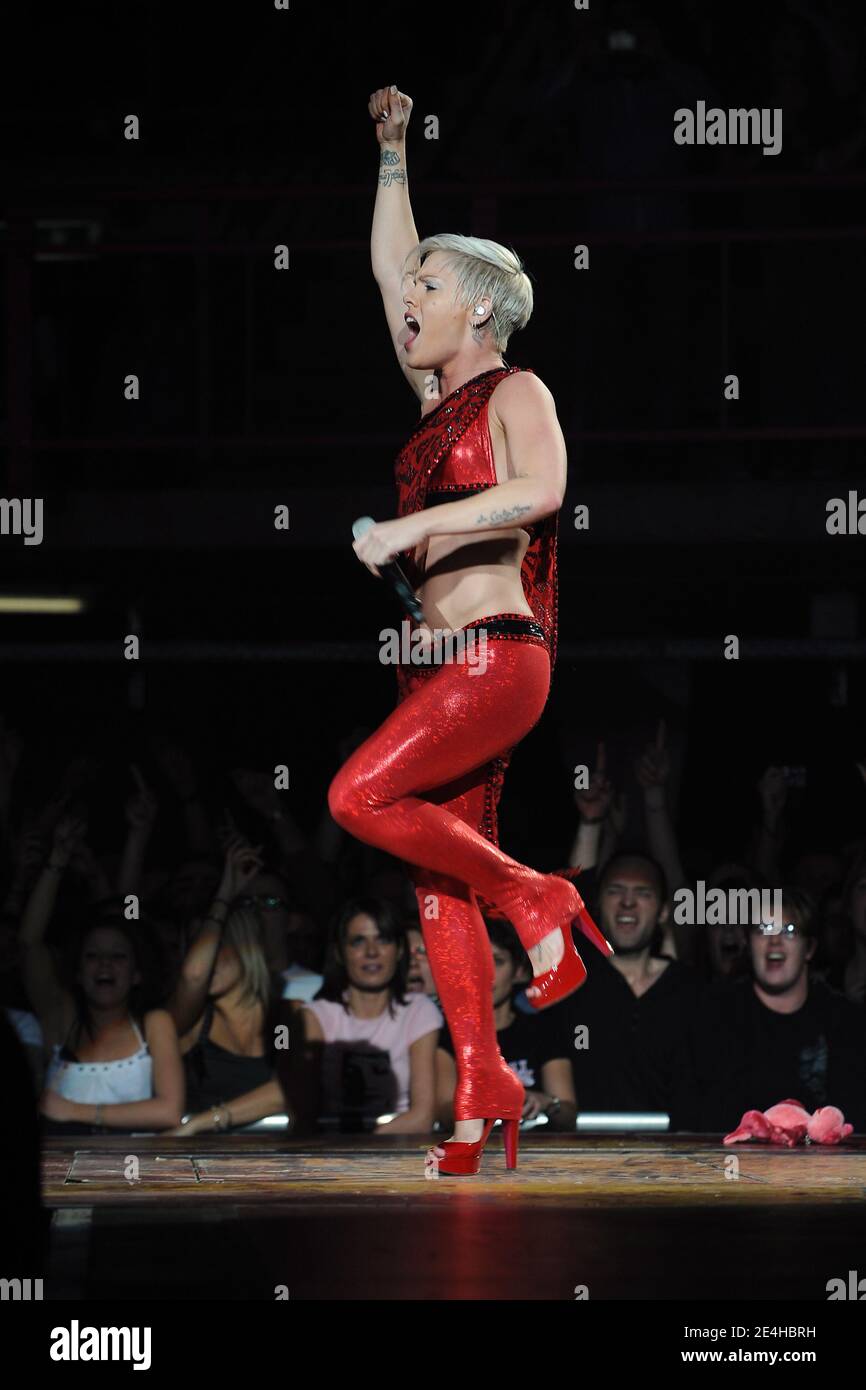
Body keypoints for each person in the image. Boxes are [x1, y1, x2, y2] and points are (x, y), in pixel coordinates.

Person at [326, 85, 611, 1177]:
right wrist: (393, 151)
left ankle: (537, 892)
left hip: (498, 658)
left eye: (431, 289)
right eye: (409, 293)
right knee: (436, 881)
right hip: (433, 671)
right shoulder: (430, 406)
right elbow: (384, 268)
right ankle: (482, 1081)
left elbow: (541, 491)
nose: (409, 300)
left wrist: (415, 527)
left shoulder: (515, 390)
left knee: (355, 798)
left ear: (481, 312)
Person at [22, 815, 184, 1134]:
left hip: (133, 1166)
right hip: (60, 1166)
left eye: (118, 957)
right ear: (78, 972)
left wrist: (73, 1111)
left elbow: (168, 1112)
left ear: (137, 974)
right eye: (93, 956)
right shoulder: (63, 1019)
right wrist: (57, 860)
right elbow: (28, 945)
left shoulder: (154, 1024)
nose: (105, 966)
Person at [695, 887, 866, 1133]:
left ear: (809, 948)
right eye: (763, 929)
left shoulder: (844, 1020)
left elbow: (853, 1119)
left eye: (789, 931)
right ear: (748, 943)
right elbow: (706, 1117)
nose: (774, 940)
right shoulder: (716, 1016)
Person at [553, 851, 702, 1130]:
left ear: (663, 911)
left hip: (676, 1151)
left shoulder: (694, 991)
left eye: (642, 893)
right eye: (615, 891)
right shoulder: (570, 986)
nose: (628, 902)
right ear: (597, 905)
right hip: (582, 1150)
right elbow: (563, 902)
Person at [167, 837, 291, 1135]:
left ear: (243, 947)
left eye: (215, 949)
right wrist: (224, 893)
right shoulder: (190, 1023)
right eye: (195, 949)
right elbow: (194, 976)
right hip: (202, 1160)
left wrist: (200, 1122)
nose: (206, 962)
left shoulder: (286, 1016)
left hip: (277, 1159)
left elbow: (287, 1088)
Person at [299, 897, 442, 1132]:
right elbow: (302, 1108)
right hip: (328, 1147)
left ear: (399, 951)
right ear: (339, 952)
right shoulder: (315, 1016)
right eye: (358, 941)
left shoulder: (419, 1011)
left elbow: (422, 1118)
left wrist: (363, 1145)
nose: (372, 952)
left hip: (396, 1147)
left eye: (383, 940)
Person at [436, 919, 577, 1132]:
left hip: (535, 1148)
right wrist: (482, 1105)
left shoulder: (543, 1031)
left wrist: (547, 1103)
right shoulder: (450, 1035)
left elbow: (568, 1115)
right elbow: (445, 1114)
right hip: (477, 1149)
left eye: (497, 961)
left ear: (519, 971)